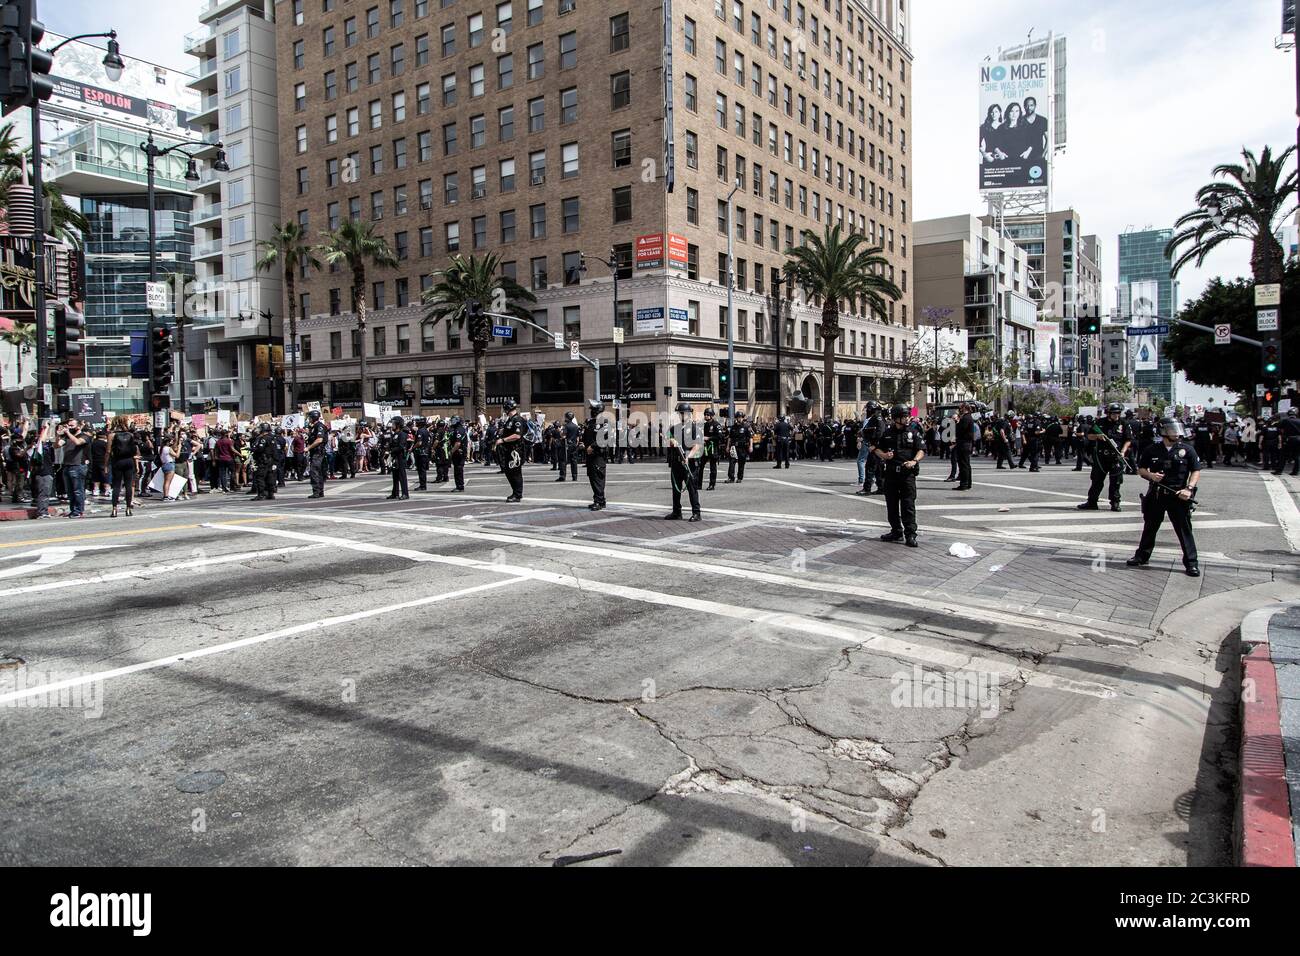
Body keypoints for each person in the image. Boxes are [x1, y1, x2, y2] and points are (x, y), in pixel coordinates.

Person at [1128, 418, 1202, 577]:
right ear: (1162, 431)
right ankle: (1142, 556)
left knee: (1184, 530)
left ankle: (1191, 563)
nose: (1175, 432)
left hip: (1178, 495)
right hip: (1157, 494)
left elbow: (1196, 470)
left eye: (1176, 428)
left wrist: (1189, 489)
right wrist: (1150, 475)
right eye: (1171, 429)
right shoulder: (1152, 449)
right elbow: (1140, 469)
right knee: (1150, 527)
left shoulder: (1187, 449)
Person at [875, 404, 924, 547]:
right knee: (891, 504)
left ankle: (910, 534)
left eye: (907, 416)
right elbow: (876, 448)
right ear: (896, 418)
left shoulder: (913, 432)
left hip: (907, 474)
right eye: (904, 416)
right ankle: (896, 531)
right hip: (891, 474)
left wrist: (914, 461)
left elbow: (921, 450)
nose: (907, 418)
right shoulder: (887, 433)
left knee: (908, 505)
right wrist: (884, 455)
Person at [1079, 403, 1131, 512]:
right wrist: (1097, 436)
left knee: (1116, 481)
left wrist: (1123, 451)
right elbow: (1089, 436)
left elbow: (1128, 440)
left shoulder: (1124, 424)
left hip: (1116, 456)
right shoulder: (1100, 423)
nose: (1116, 415)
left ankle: (1115, 503)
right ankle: (1092, 502)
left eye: (1118, 413)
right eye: (1113, 413)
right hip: (1101, 456)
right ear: (1108, 413)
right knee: (1097, 480)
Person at [665, 402, 702, 521]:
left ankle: (696, 513)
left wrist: (688, 456)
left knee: (692, 488)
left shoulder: (695, 428)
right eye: (679, 413)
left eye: (683, 413)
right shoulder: (673, 428)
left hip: (689, 462)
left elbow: (697, 446)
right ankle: (676, 512)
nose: (681, 415)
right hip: (676, 462)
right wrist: (670, 441)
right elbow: (667, 438)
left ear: (689, 414)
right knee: (676, 489)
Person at [107, 415, 140, 517]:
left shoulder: (112, 435)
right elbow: (135, 451)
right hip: (129, 461)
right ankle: (128, 508)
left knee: (116, 485)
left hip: (117, 461)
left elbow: (108, 451)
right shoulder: (130, 435)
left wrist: (105, 464)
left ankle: (114, 509)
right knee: (128, 485)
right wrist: (136, 465)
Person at [498, 399, 527, 501]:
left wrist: (503, 440)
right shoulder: (510, 420)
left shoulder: (517, 420)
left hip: (516, 450)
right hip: (508, 449)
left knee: (515, 472)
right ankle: (515, 492)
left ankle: (517, 494)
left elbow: (517, 435)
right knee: (508, 471)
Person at [582, 399, 607, 511]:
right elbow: (585, 436)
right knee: (592, 478)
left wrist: (593, 446)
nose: (591, 411)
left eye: (593, 409)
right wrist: (583, 443)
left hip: (598, 455)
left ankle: (599, 501)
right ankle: (599, 500)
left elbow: (604, 439)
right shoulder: (590, 422)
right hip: (590, 455)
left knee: (598, 479)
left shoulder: (603, 422)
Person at [305, 409, 327, 498]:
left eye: (310, 417)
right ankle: (320, 491)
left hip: (318, 453)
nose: (309, 419)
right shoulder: (314, 427)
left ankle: (316, 492)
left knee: (314, 472)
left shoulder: (319, 426)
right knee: (319, 472)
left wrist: (308, 448)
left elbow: (319, 440)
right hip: (316, 452)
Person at [386, 417, 411, 500]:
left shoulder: (402, 434)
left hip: (400, 457)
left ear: (398, 425)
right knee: (395, 476)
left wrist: (391, 451)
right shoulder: (394, 434)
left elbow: (401, 446)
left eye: (393, 423)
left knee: (402, 476)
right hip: (395, 457)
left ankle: (405, 494)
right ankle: (395, 493)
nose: (392, 425)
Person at [700, 408, 724, 490]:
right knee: (700, 465)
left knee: (712, 467)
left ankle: (712, 484)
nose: (706, 416)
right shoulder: (705, 425)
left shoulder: (716, 425)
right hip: (706, 448)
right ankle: (698, 484)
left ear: (711, 416)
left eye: (707, 415)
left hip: (714, 448)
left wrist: (709, 438)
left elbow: (720, 437)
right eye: (705, 414)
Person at [726, 410, 753, 483]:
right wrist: (728, 446)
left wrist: (751, 446)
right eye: (738, 417)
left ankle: (739, 477)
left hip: (742, 447)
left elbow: (750, 437)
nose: (739, 419)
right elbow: (730, 438)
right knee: (732, 462)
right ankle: (731, 478)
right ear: (736, 418)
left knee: (741, 463)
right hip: (734, 447)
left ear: (743, 418)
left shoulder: (746, 427)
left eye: (741, 417)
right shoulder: (733, 427)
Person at [953, 403, 974, 491]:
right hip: (966, 443)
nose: (959, 409)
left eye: (961, 408)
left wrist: (957, 422)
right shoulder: (969, 417)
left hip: (964, 443)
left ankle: (964, 484)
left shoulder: (965, 418)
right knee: (966, 464)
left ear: (965, 408)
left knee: (963, 464)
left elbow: (961, 429)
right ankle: (968, 483)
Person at [447, 415, 468, 491]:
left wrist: (451, 451)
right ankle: (459, 485)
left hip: (459, 452)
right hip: (459, 452)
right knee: (457, 469)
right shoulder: (457, 429)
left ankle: (460, 486)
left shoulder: (459, 430)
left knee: (458, 469)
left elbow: (458, 443)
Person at [557, 410, 580, 482]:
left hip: (566, 445)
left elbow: (563, 436)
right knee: (574, 461)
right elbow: (578, 438)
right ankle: (574, 476)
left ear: (567, 417)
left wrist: (560, 432)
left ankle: (562, 476)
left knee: (563, 461)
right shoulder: (576, 426)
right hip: (573, 444)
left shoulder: (566, 426)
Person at [413, 417, 432, 490]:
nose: (416, 423)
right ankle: (423, 484)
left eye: (417, 422)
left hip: (421, 452)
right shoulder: (426, 431)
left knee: (421, 470)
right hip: (426, 452)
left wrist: (413, 448)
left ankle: (422, 485)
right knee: (423, 469)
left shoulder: (420, 431)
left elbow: (419, 442)